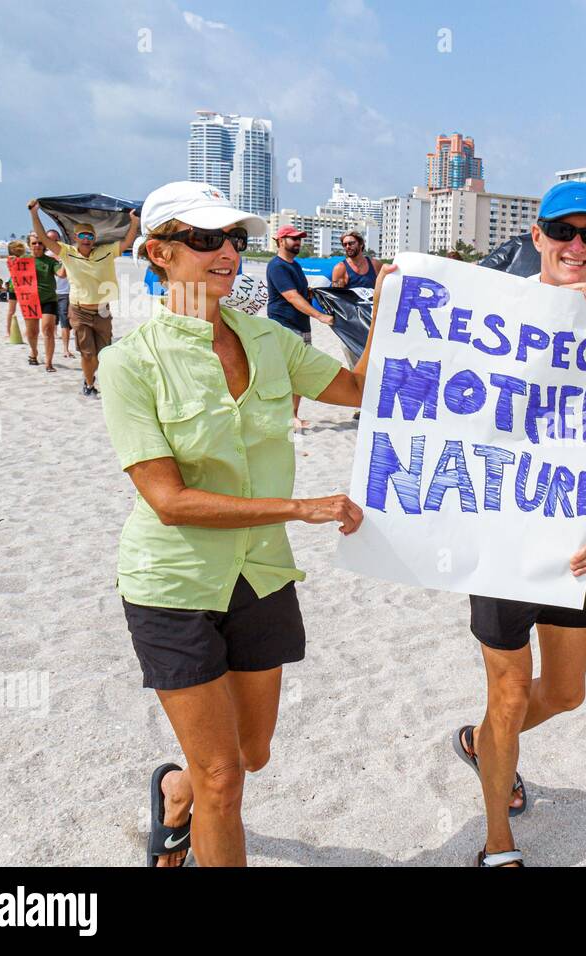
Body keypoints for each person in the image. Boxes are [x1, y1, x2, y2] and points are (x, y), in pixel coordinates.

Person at [98, 181, 387, 867]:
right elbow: (168, 500)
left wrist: (395, 311)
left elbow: (357, 389)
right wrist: (300, 507)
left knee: (249, 755)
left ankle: (174, 788)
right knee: (224, 780)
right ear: (160, 253)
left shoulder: (267, 340)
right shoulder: (129, 363)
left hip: (259, 576)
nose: (227, 251)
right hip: (172, 584)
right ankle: (196, 794)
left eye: (236, 238)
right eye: (205, 239)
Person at [454, 181, 586, 867]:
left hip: (574, 535)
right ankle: (497, 844)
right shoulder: (495, 312)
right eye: (562, 231)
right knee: (507, 693)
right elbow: (441, 392)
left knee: (565, 692)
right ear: (535, 236)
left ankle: (481, 745)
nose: (577, 245)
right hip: (502, 537)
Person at [29, 200, 139, 396]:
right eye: (82, 235)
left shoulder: (105, 252)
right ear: (75, 237)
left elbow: (127, 242)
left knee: (103, 354)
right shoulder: (67, 253)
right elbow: (45, 239)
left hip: (103, 310)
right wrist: (35, 214)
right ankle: (89, 384)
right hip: (79, 311)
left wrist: (134, 222)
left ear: (95, 238)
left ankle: (93, 376)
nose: (86, 239)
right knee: (88, 353)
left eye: (90, 235)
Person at [265, 224, 335, 429]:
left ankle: (293, 415)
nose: (298, 242)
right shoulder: (277, 266)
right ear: (280, 241)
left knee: (300, 372)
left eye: (299, 239)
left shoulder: (294, 265)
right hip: (285, 326)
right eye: (293, 238)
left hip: (301, 325)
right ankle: (283, 417)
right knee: (286, 373)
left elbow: (302, 294)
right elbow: (291, 297)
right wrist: (320, 316)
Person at [329, 229, 379, 374]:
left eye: (351, 243)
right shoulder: (341, 268)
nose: (347, 247)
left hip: (372, 323)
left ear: (361, 244)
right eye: (344, 245)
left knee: (374, 366)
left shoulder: (375, 265)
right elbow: (336, 298)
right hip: (352, 325)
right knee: (356, 369)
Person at [26, 231, 61, 372]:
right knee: (32, 333)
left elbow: (61, 274)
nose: (37, 245)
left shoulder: (51, 261)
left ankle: (48, 362)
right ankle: (34, 351)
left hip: (49, 300)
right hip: (30, 300)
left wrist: (64, 260)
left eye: (40, 243)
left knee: (47, 330)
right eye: (34, 243)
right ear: (29, 245)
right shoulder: (24, 261)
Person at [47, 228, 74, 358]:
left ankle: (65, 349)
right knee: (51, 320)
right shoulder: (45, 255)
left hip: (65, 292)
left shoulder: (66, 253)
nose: (53, 242)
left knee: (65, 319)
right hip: (50, 293)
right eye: (50, 239)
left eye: (56, 239)